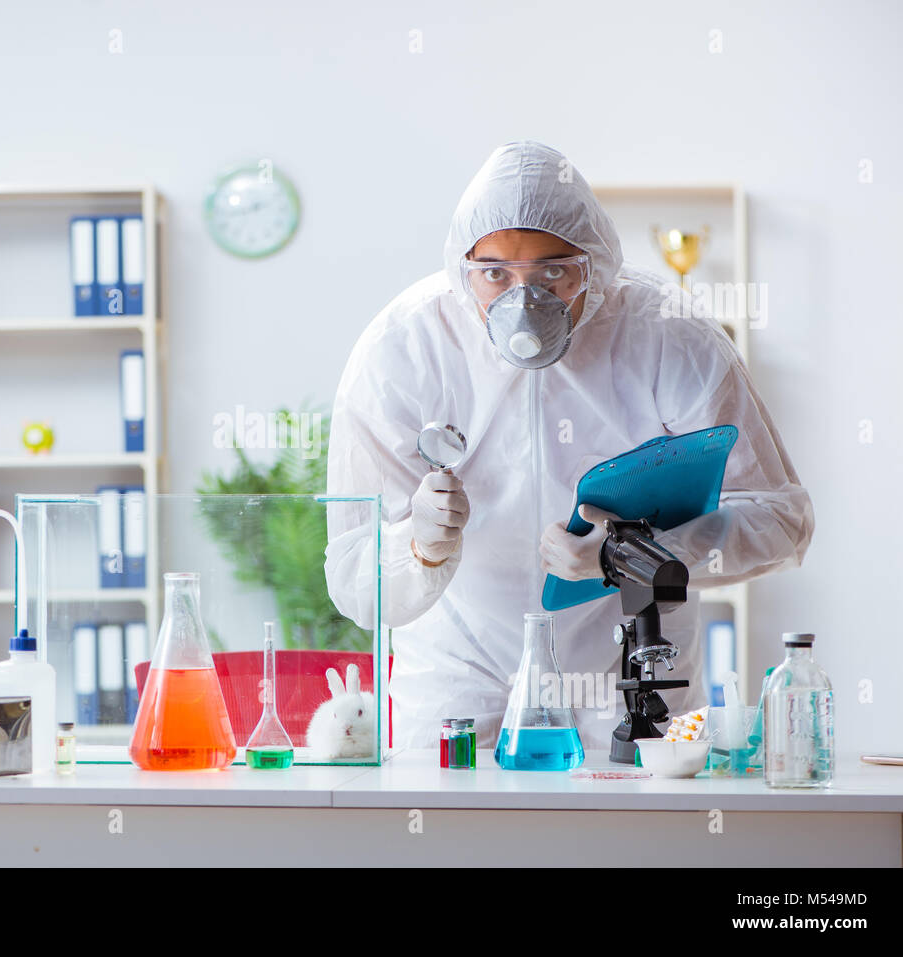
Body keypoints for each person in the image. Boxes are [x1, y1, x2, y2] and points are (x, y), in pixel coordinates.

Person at [324, 141, 813, 750]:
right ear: (462, 268)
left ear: (595, 264)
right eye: (494, 273)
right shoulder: (404, 346)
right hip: (455, 671)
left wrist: (630, 556)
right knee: (450, 836)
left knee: (626, 839)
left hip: (626, 667)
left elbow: (780, 518)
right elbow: (352, 576)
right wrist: (416, 548)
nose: (522, 303)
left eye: (553, 271)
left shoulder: (670, 335)